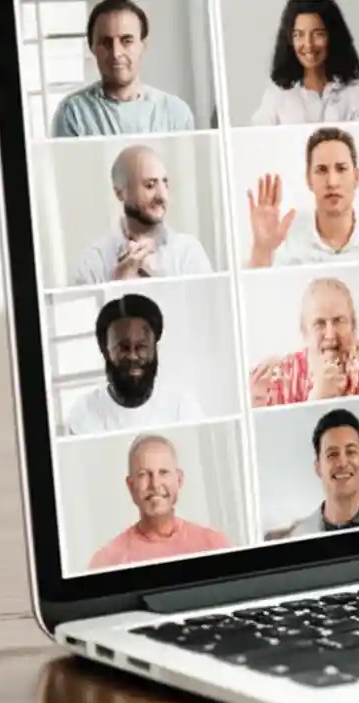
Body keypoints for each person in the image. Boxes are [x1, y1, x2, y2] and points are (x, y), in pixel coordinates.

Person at [249, 277, 359, 407]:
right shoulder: (276, 378)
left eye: (339, 321)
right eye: (319, 323)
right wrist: (318, 397)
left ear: (354, 325)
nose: (330, 335)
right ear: (304, 330)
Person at [72, 145, 214, 286]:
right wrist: (119, 287)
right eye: (150, 185)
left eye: (165, 183)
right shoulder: (92, 262)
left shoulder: (189, 252)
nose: (162, 196)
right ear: (120, 193)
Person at [51, 0, 195, 137]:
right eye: (106, 42)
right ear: (92, 47)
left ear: (143, 45)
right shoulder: (73, 113)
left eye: (127, 41)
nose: (116, 53)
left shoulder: (176, 112)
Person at [88, 434, 231, 570]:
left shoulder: (214, 544)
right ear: (130, 486)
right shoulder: (107, 561)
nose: (155, 484)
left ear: (179, 480)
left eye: (163, 472)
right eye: (143, 474)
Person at [65, 294, 202, 435]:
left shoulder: (182, 408)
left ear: (154, 349)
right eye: (123, 348)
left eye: (141, 346)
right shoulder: (83, 413)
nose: (133, 356)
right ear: (106, 351)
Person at [247, 127, 359, 267]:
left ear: (356, 177)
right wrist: (262, 249)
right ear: (308, 179)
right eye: (321, 170)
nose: (332, 182)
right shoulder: (287, 240)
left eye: (341, 169)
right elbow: (256, 287)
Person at [272, 409, 359, 539]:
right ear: (318, 468)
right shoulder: (299, 536)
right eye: (332, 454)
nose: (342, 463)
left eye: (351, 452)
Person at [250, 0, 359, 125]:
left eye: (318, 34)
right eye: (299, 35)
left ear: (333, 37)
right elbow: (257, 142)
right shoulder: (275, 98)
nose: (309, 44)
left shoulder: (357, 96)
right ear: (289, 41)